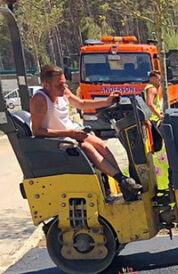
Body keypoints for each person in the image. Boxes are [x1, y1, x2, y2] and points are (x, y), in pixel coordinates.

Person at [30, 64, 143, 201]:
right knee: (87, 148)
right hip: (56, 140)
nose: (64, 88)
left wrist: (106, 102)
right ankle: (122, 180)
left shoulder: (63, 92)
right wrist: (70, 133)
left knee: (101, 144)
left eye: (64, 83)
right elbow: (37, 131)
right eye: (59, 85)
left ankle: (123, 181)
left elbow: (82, 104)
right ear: (46, 85)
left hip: (71, 133)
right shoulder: (40, 99)